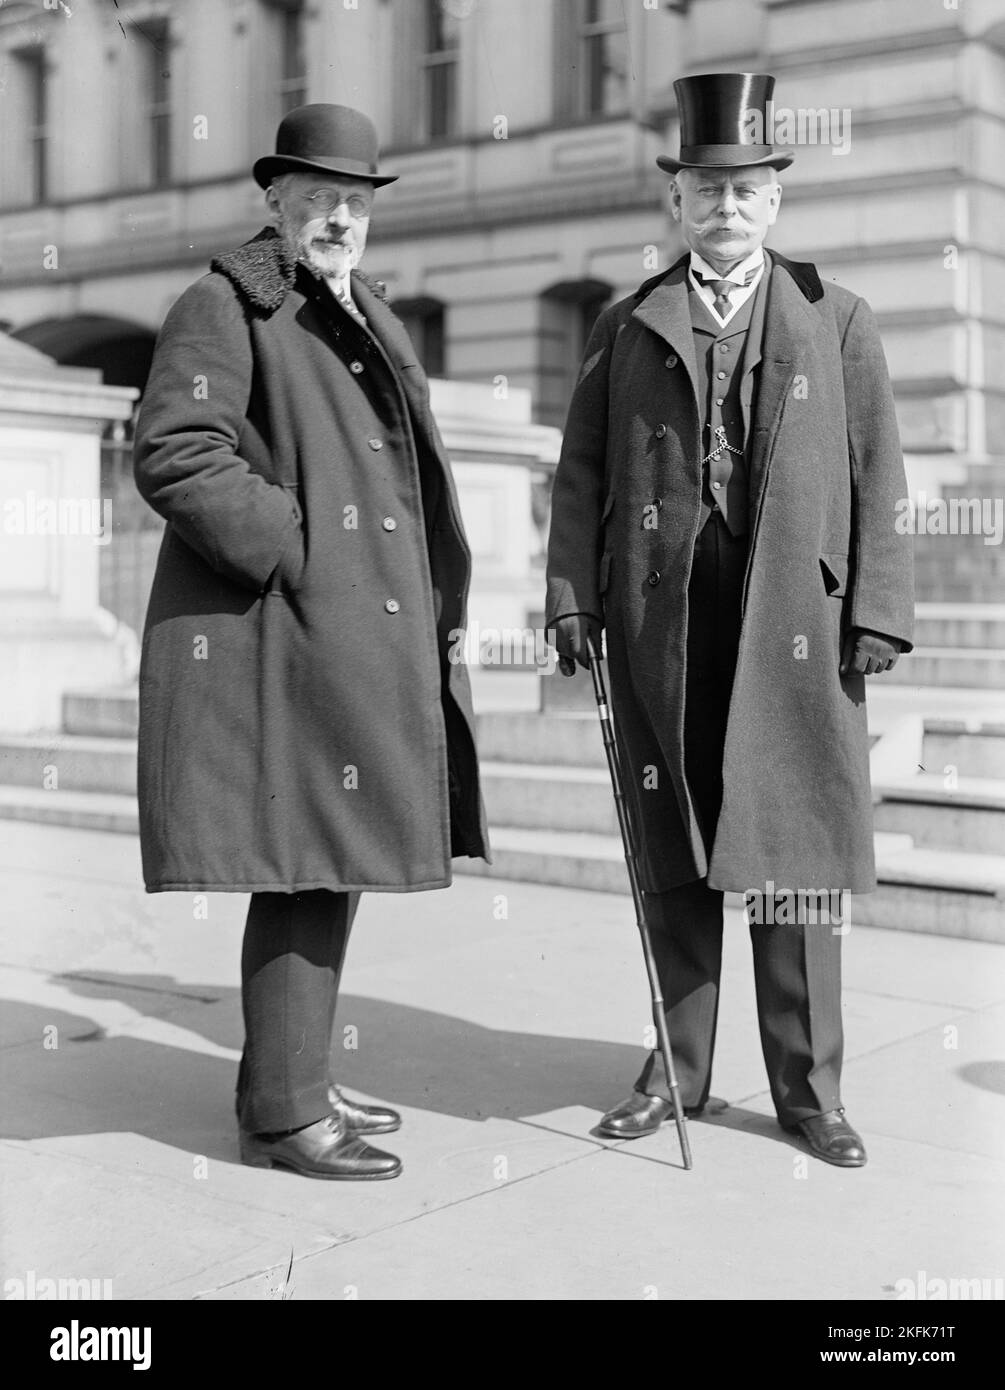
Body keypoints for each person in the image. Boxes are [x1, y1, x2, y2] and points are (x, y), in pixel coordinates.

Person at [546, 73, 914, 1168]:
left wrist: (879, 611)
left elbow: (878, 470)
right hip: (667, 622)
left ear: (773, 201)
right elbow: (578, 476)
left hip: (797, 622)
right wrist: (572, 598)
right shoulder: (629, 322)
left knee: (795, 850)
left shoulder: (835, 318)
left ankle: (809, 1090)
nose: (725, 208)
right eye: (705, 189)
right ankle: (679, 1069)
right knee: (677, 845)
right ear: (677, 202)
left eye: (745, 189)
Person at [134, 104, 488, 1180]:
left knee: (325, 865)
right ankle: (285, 1117)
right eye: (317, 199)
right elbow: (174, 449)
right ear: (275, 203)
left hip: (345, 640)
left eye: (354, 201)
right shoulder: (226, 302)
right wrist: (295, 544)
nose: (338, 218)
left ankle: (290, 1083)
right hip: (280, 636)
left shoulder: (362, 309)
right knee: (300, 867)